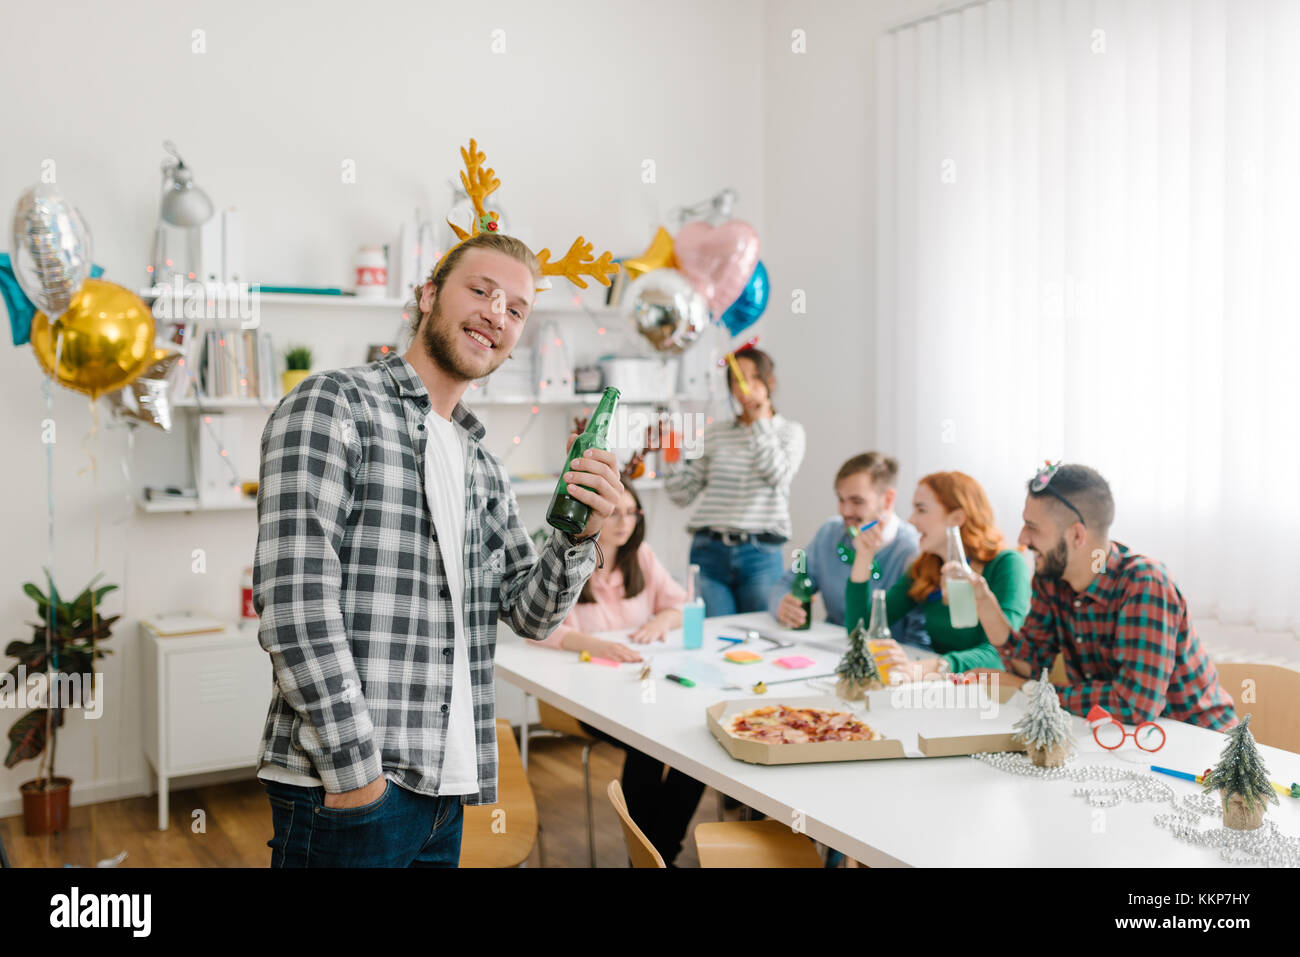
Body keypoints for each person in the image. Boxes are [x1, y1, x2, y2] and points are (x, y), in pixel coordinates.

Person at [253, 231, 624, 867]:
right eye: (480, 290)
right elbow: (295, 606)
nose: (496, 314)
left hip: (448, 791)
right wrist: (357, 779)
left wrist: (580, 536)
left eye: (515, 309)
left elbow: (530, 614)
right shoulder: (335, 404)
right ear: (427, 296)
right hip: (350, 788)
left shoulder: (481, 462)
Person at [974, 462, 1237, 730]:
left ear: (1077, 535)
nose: (1022, 538)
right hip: (1122, 741)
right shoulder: (1051, 579)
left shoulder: (1144, 583)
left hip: (1200, 749)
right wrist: (984, 601)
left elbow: (1133, 706)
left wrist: (1029, 690)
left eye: (1032, 527)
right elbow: (1026, 666)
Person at [535, 481, 704, 865]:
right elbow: (539, 630)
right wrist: (592, 644)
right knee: (646, 747)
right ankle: (646, 857)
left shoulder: (640, 556)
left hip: (640, 691)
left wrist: (662, 619)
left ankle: (655, 856)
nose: (624, 522)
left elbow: (680, 604)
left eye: (632, 513)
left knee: (694, 749)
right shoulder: (568, 559)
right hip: (587, 698)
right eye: (615, 513)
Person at [847, 471, 1031, 679]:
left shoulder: (1006, 565)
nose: (911, 519)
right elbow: (858, 632)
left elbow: (1002, 654)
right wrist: (863, 557)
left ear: (957, 517)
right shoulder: (927, 567)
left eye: (921, 509)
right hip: (944, 688)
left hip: (993, 695)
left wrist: (930, 667)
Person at [665, 347, 806, 615]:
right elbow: (682, 494)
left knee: (760, 633)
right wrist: (671, 453)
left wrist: (760, 423)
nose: (746, 387)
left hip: (761, 554)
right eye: (737, 380)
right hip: (709, 552)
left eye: (754, 378)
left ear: (770, 382)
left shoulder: (789, 432)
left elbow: (776, 475)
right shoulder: (716, 433)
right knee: (715, 637)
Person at [767, 451, 928, 648]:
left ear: (887, 499)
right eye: (841, 500)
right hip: (827, 650)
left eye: (857, 501)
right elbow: (786, 584)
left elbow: (919, 638)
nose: (845, 511)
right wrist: (782, 603)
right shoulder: (830, 532)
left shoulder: (911, 550)